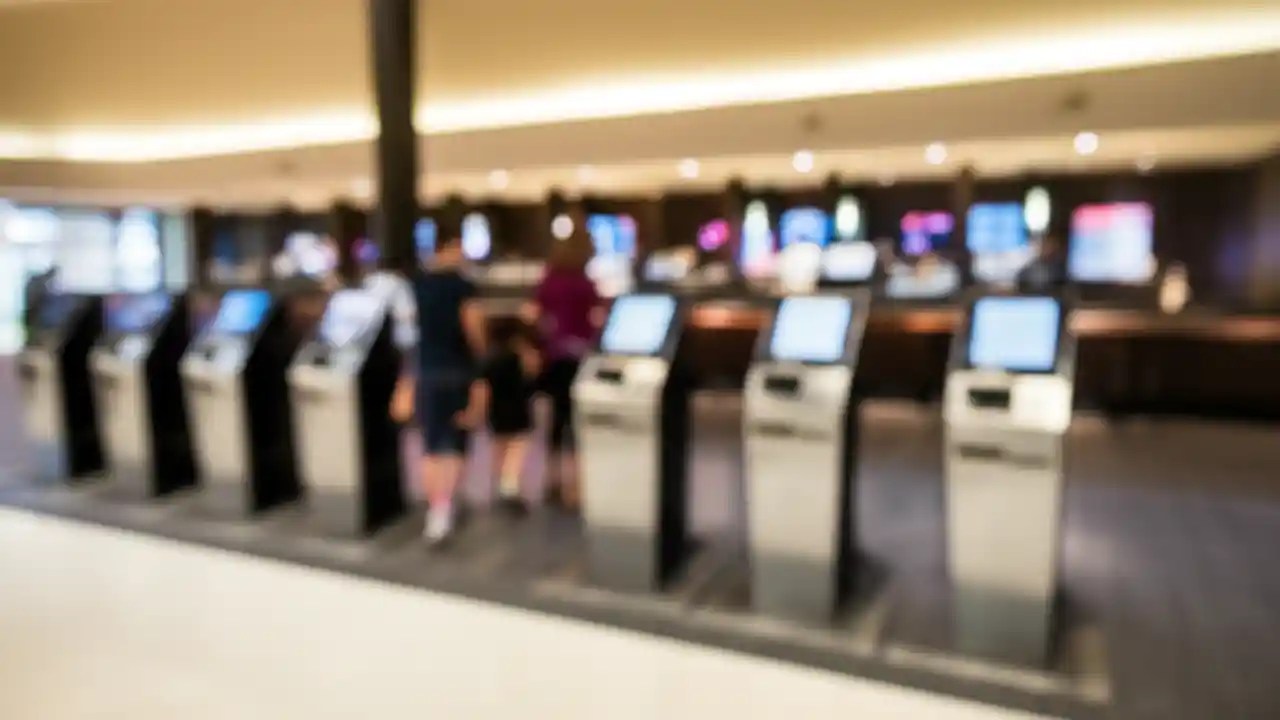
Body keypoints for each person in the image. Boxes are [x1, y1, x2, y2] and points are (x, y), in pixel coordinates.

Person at [391, 233, 487, 546]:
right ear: (452, 247)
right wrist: (481, 356)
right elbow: (473, 327)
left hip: (427, 371)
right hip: (458, 370)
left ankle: (436, 510)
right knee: (457, 442)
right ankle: (449, 502)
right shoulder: (463, 286)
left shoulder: (418, 285)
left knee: (431, 445)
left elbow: (409, 332)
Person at [528, 235, 601, 510]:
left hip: (554, 356)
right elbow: (596, 318)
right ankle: (576, 486)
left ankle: (552, 480)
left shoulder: (548, 281)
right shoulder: (585, 284)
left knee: (556, 422)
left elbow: (537, 316)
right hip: (579, 357)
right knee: (577, 423)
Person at [481, 320, 541, 516]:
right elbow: (532, 376)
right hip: (518, 410)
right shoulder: (518, 358)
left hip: (496, 410)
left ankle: (499, 484)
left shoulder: (489, 359)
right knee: (517, 447)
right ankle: (510, 487)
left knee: (499, 447)